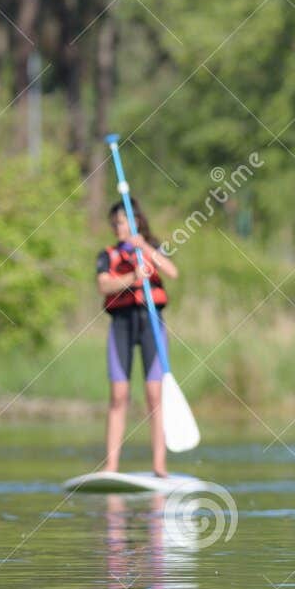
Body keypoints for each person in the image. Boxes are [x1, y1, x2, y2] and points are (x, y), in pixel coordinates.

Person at [95, 200, 180, 476]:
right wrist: (133, 276)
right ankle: (111, 465)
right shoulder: (107, 255)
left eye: (121, 222)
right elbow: (104, 285)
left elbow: (172, 272)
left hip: (151, 323)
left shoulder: (151, 250)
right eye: (115, 223)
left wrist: (143, 247)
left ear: (135, 222)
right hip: (122, 324)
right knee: (119, 395)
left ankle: (159, 465)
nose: (117, 228)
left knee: (154, 395)